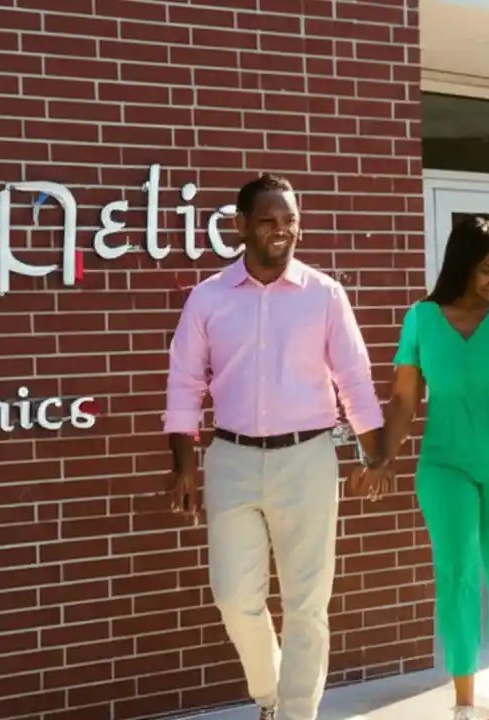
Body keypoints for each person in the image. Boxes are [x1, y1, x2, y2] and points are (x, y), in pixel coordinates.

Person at [162, 174, 387, 720]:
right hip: (232, 458)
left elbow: (353, 378)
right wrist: (184, 466)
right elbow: (184, 384)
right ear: (241, 226)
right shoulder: (208, 298)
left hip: (308, 458)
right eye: (268, 219)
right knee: (233, 597)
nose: (281, 230)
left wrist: (374, 455)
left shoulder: (325, 295)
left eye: (289, 220)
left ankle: (293, 714)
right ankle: (268, 695)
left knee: (307, 605)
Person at [351, 216, 489, 720]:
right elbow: (404, 400)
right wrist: (381, 458)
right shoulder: (422, 319)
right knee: (454, 575)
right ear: (462, 265)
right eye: (487, 270)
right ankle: (462, 701)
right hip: (444, 463)